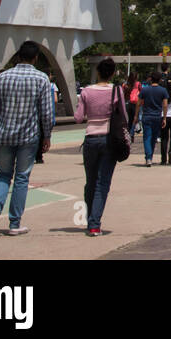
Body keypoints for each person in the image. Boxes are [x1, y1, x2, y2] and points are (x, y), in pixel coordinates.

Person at [0, 41, 54, 237]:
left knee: (4, 174)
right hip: (28, 137)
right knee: (22, 178)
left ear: (18, 56)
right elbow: (46, 112)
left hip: (4, 135)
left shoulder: (2, 78)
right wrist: (47, 135)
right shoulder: (41, 79)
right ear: (36, 58)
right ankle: (14, 223)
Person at [73, 56, 127, 236]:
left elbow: (78, 118)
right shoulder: (117, 91)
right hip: (109, 139)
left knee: (90, 181)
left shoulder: (86, 91)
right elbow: (124, 117)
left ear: (97, 72)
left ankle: (90, 217)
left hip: (90, 138)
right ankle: (94, 224)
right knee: (102, 182)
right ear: (112, 74)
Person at [138, 70, 169, 166]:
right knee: (154, 137)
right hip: (157, 116)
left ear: (151, 79)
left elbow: (139, 103)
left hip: (146, 116)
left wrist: (136, 115)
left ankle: (148, 157)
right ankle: (149, 156)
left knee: (147, 137)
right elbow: (165, 105)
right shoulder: (163, 90)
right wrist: (164, 118)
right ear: (160, 80)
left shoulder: (145, 90)